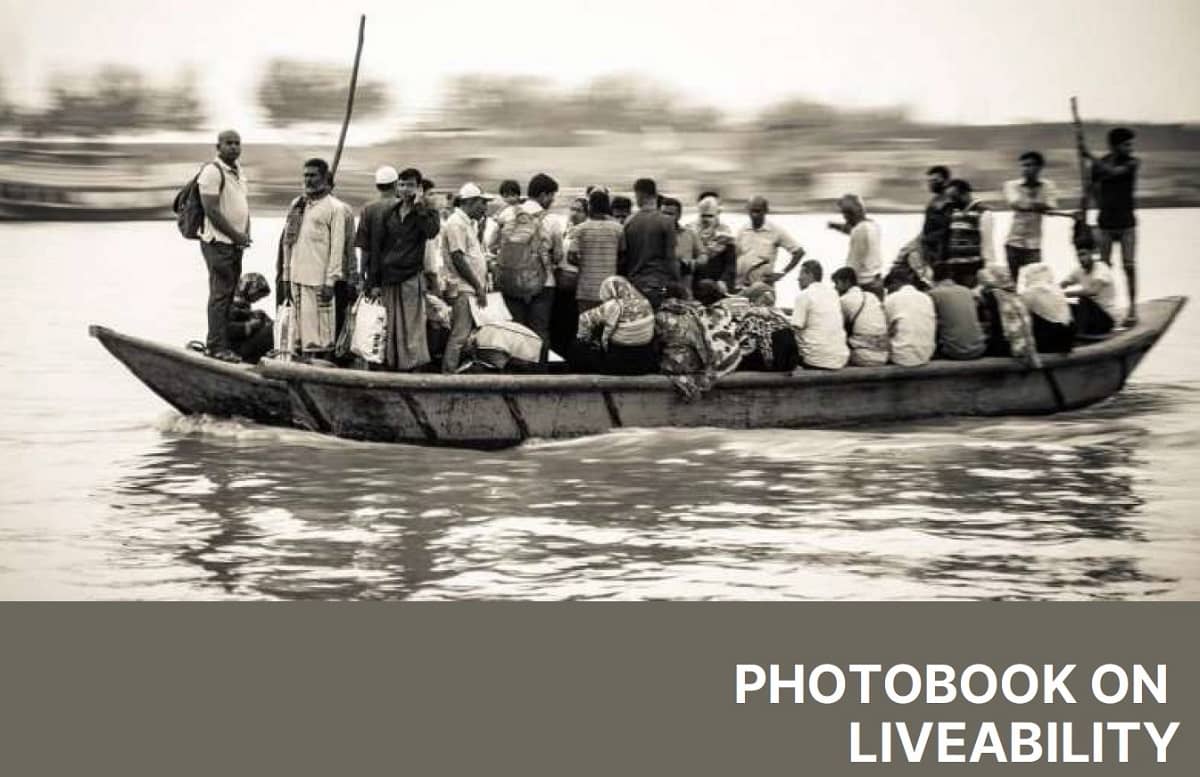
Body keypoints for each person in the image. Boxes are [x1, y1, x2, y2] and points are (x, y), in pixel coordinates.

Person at [365, 167, 441, 371]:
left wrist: (419, 207)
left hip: (410, 277)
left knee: (411, 327)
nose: (405, 189)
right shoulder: (389, 212)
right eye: (402, 184)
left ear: (419, 188)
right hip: (388, 277)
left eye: (410, 185)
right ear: (397, 187)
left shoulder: (427, 212)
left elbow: (432, 232)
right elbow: (377, 249)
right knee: (389, 326)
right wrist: (372, 282)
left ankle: (411, 369)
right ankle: (390, 366)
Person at [280, 158, 345, 359]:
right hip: (297, 277)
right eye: (305, 175)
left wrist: (330, 281)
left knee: (320, 335)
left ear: (325, 178)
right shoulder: (298, 204)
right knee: (298, 331)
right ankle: (300, 366)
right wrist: (286, 274)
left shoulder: (335, 208)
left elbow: (337, 247)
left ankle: (320, 371)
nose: (308, 180)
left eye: (313, 175)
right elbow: (288, 243)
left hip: (319, 280)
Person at [198, 129, 251, 363]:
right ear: (218, 147)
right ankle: (216, 346)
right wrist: (235, 235)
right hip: (218, 243)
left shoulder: (239, 172)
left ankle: (224, 344)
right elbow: (211, 210)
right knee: (220, 295)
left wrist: (244, 235)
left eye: (237, 143)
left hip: (234, 245)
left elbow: (240, 205)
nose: (233, 147)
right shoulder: (212, 171)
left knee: (229, 294)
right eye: (228, 143)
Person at [498, 172, 564, 360]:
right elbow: (559, 255)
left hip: (511, 281)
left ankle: (518, 374)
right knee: (539, 330)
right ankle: (540, 376)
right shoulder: (551, 220)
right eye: (552, 195)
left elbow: (492, 244)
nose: (552, 200)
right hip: (543, 284)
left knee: (517, 329)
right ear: (543, 195)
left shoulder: (507, 214)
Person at [1080, 127, 1140, 326]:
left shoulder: (1132, 163)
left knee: (1129, 267)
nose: (1130, 148)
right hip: (1105, 224)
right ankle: (1102, 310)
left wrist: (1089, 156)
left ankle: (1132, 310)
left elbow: (1114, 173)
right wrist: (1084, 214)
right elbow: (1090, 189)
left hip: (1126, 225)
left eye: (1131, 144)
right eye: (1126, 145)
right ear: (1114, 146)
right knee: (1102, 269)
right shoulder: (1100, 164)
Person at [440, 183, 493, 372]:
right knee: (459, 336)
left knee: (463, 335)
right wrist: (478, 286)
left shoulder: (466, 223)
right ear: (470, 202)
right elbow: (458, 257)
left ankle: (454, 372)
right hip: (463, 287)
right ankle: (448, 376)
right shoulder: (456, 223)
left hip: (468, 287)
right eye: (482, 203)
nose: (485, 208)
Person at [571, 276, 658, 374]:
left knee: (578, 345)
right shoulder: (645, 302)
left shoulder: (613, 305)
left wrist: (585, 339)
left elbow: (584, 319)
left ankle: (581, 380)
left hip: (616, 364)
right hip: (644, 365)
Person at [620, 178, 678, 310]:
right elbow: (670, 258)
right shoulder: (666, 222)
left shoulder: (629, 221)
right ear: (654, 195)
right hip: (658, 284)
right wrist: (676, 283)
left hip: (634, 284)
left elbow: (624, 257)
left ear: (639, 195)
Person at [1003, 151, 1059, 285]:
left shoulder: (1048, 186)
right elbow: (1016, 203)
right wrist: (1040, 205)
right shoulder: (1011, 185)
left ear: (1039, 167)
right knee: (1011, 284)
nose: (1025, 169)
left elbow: (1052, 206)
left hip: (1034, 245)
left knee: (1035, 283)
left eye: (1029, 165)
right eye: (1023, 166)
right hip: (1013, 242)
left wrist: (1036, 205)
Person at [569, 188, 626, 314]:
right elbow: (623, 256)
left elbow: (571, 257)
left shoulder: (580, 229)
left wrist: (585, 265)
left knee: (587, 328)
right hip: (610, 290)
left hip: (586, 290)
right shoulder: (618, 229)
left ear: (590, 206)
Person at [735, 196, 805, 292]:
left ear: (765, 211)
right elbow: (734, 255)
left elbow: (799, 252)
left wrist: (781, 273)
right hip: (742, 286)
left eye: (758, 211)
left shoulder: (775, 231)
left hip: (764, 288)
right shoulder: (743, 231)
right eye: (752, 211)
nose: (754, 215)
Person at [790, 259, 849, 370]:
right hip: (839, 358)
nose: (798, 278)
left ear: (810, 274)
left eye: (801, 273)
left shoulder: (804, 295)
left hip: (815, 359)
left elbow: (795, 329)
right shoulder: (833, 294)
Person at [976, 266, 1040, 365]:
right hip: (1025, 346)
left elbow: (995, 324)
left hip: (1005, 347)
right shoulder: (1014, 295)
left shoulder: (992, 295)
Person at [1061, 233, 1119, 337]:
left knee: (1083, 299)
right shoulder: (1078, 270)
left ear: (1092, 253)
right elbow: (1062, 285)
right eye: (1078, 255)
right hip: (1090, 317)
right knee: (1065, 306)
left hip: (1106, 318)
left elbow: (1093, 291)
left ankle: (1080, 335)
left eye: (1084, 254)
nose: (1081, 259)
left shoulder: (1101, 268)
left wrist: (1065, 294)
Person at [354, 165, 400, 298]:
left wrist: (362, 271)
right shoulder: (404, 207)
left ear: (377, 186)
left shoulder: (368, 209)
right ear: (396, 184)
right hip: (401, 274)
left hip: (376, 275)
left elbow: (365, 247)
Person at [941, 178, 995, 287]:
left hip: (972, 268)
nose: (951, 201)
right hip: (953, 268)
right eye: (949, 198)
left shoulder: (983, 212)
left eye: (954, 197)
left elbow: (987, 244)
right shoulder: (953, 211)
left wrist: (987, 269)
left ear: (965, 194)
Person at [828, 193, 883, 298]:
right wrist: (835, 226)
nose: (844, 218)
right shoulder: (873, 225)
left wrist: (842, 283)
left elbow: (853, 264)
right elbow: (851, 230)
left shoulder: (859, 231)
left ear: (850, 214)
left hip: (863, 284)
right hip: (877, 281)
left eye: (844, 214)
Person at [735, 282, 799, 372]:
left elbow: (740, 339)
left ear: (754, 299)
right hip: (789, 364)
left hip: (772, 364)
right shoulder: (781, 314)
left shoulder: (752, 313)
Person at [831, 267, 889, 366]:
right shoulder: (872, 296)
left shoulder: (844, 300)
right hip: (884, 355)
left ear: (847, 282)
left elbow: (837, 329)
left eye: (837, 283)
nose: (835, 288)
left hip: (863, 356)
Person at [926, 267, 987, 360]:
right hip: (979, 349)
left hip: (954, 352)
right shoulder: (967, 291)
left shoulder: (933, 294)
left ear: (933, 278)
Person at [882, 264, 936, 367]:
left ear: (895, 282)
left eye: (889, 288)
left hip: (901, 357)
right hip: (926, 355)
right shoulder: (926, 298)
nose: (888, 292)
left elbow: (884, 330)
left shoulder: (892, 298)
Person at [327, 179, 358, 345]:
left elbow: (350, 245)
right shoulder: (304, 208)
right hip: (317, 274)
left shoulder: (343, 210)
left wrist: (353, 275)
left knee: (337, 317)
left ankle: (335, 353)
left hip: (339, 276)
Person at [1019, 262, 1076, 354]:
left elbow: (1023, 319)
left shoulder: (1030, 292)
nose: (1025, 279)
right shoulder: (1056, 289)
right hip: (1068, 339)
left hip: (1049, 342)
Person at [691, 195, 737, 293]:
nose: (706, 220)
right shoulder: (691, 231)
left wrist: (723, 281)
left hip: (718, 284)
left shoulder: (725, 234)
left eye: (710, 216)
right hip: (696, 282)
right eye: (703, 216)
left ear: (717, 215)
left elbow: (730, 265)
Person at [660, 196, 702, 297]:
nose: (666, 217)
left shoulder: (689, 234)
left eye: (670, 214)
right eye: (663, 213)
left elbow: (703, 255)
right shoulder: (654, 234)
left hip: (684, 283)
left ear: (679, 215)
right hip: (662, 284)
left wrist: (693, 263)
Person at [227, 273, 273, 364]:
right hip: (236, 349)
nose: (258, 299)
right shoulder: (232, 306)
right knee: (271, 330)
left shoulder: (242, 305)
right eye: (258, 295)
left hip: (241, 345)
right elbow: (226, 329)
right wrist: (249, 326)